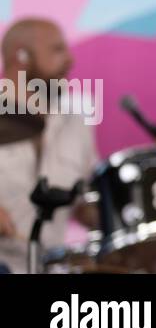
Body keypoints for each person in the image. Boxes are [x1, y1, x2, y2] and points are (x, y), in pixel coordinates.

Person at [0, 18, 99, 273]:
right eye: (57, 50)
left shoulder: (77, 124)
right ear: (21, 56)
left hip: (49, 268)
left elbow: (86, 206)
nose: (70, 60)